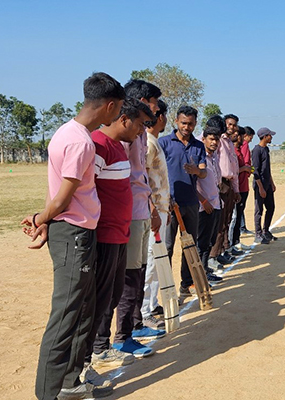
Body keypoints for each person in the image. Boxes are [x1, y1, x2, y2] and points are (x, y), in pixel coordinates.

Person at [22, 72, 124, 400]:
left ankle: (71, 383)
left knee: (83, 310)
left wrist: (46, 219)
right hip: (74, 235)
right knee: (66, 315)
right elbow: (64, 198)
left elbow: (60, 196)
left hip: (76, 231)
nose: (118, 116)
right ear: (109, 106)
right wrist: (41, 218)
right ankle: (47, 394)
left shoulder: (66, 132)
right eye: (119, 109)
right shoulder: (80, 141)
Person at [85, 98, 154, 384]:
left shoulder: (118, 147)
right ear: (123, 117)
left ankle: (95, 354)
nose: (141, 131)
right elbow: (82, 190)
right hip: (103, 234)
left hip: (121, 230)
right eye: (139, 124)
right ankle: (90, 358)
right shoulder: (97, 144)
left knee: (112, 295)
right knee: (97, 302)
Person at [113, 80, 165, 359]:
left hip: (144, 210)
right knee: (131, 276)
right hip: (131, 213)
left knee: (140, 269)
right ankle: (122, 337)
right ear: (144, 101)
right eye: (155, 103)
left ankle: (134, 325)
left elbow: (142, 176)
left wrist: (152, 209)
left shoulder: (141, 133)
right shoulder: (125, 135)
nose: (157, 109)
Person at [160, 106, 207, 297]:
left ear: (195, 124)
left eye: (191, 123)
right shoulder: (164, 143)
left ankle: (186, 284)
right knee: (168, 247)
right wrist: (166, 197)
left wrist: (197, 171)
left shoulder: (198, 146)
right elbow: (157, 172)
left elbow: (204, 172)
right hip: (170, 204)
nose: (187, 127)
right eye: (184, 123)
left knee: (190, 245)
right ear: (176, 122)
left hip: (191, 202)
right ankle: (167, 287)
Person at [142, 99, 170, 326]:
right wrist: (153, 208)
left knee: (158, 259)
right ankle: (143, 311)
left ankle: (152, 304)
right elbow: (143, 180)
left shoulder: (154, 142)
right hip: (152, 211)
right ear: (159, 117)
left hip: (161, 209)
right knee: (151, 261)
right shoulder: (148, 144)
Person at [210, 114, 242, 268]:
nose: (232, 127)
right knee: (218, 221)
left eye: (234, 125)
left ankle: (221, 252)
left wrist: (236, 189)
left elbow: (234, 168)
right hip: (220, 182)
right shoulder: (218, 141)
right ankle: (212, 257)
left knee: (226, 221)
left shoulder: (230, 142)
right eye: (229, 124)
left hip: (229, 183)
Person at [196, 127, 224, 281]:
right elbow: (193, 184)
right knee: (202, 242)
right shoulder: (199, 157)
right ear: (204, 139)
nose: (214, 142)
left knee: (210, 241)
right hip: (204, 206)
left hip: (216, 203)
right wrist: (203, 201)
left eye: (217, 139)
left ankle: (205, 270)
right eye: (211, 139)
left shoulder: (214, 157)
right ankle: (199, 276)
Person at [253, 127, 278, 244]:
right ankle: (258, 234)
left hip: (267, 184)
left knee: (271, 207)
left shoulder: (266, 150)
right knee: (259, 210)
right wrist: (261, 188)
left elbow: (267, 168)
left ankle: (266, 231)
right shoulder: (256, 150)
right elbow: (256, 171)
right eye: (269, 135)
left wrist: (271, 183)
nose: (271, 137)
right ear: (264, 136)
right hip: (260, 185)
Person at [231, 126, 253, 250]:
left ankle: (236, 241)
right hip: (238, 187)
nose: (246, 140)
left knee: (238, 215)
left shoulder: (240, 148)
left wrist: (249, 170)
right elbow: (245, 165)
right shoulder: (241, 148)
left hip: (243, 186)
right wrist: (246, 169)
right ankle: (231, 243)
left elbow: (248, 166)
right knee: (234, 217)